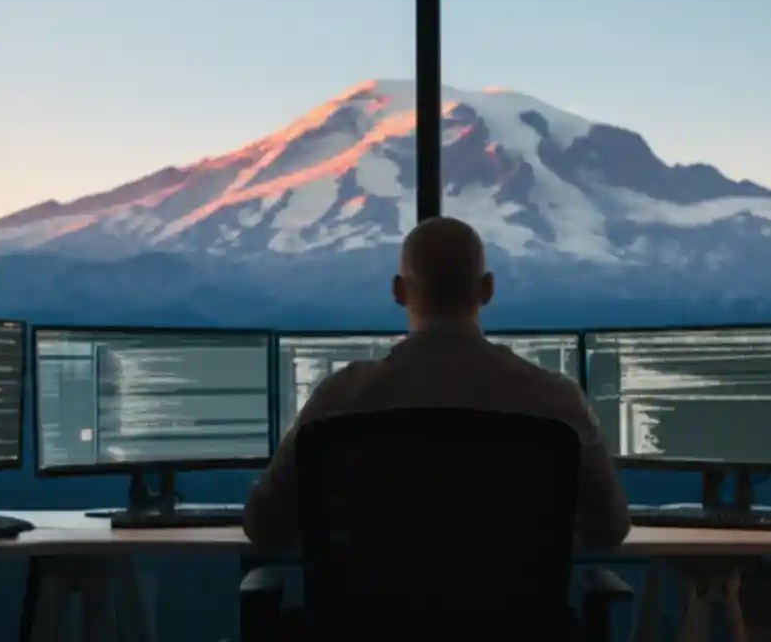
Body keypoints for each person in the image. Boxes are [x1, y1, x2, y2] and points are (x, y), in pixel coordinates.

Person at [244, 216, 630, 550]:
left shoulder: (340, 397)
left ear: (398, 291)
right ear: (487, 289)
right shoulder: (557, 401)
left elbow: (265, 525)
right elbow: (609, 528)